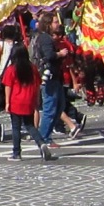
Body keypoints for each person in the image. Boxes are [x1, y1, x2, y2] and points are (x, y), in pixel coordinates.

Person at [2, 46, 53, 161]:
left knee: (16, 127)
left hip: (16, 100)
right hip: (29, 99)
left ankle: (17, 153)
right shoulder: (32, 68)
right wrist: (36, 100)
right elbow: (37, 85)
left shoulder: (11, 69)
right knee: (29, 125)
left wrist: (7, 102)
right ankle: (41, 143)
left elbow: (8, 86)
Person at [30, 13, 67, 145]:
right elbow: (49, 55)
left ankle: (47, 135)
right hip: (48, 76)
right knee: (50, 108)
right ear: (48, 24)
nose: (58, 24)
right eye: (55, 22)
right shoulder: (45, 38)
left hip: (55, 75)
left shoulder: (47, 38)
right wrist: (60, 53)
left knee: (60, 105)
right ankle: (43, 137)